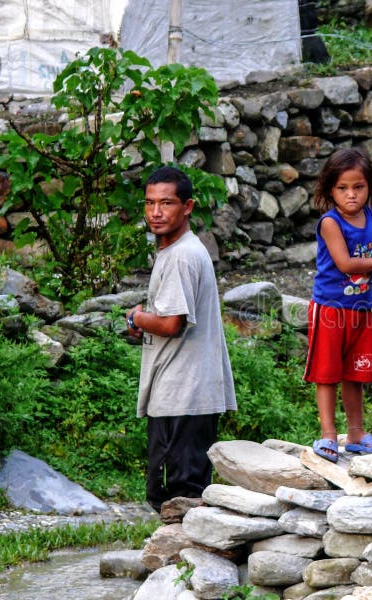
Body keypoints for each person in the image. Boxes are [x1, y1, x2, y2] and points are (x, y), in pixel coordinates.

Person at [126, 166, 237, 512]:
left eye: (166, 203)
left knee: (177, 495)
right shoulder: (181, 250)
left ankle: (183, 563)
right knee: (181, 490)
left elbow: (173, 323)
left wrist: (137, 317)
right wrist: (146, 321)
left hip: (183, 394)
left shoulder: (180, 256)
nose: (155, 213)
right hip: (185, 393)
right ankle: (185, 562)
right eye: (149, 203)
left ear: (187, 207)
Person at [304, 147, 372, 463]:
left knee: (355, 374)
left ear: (370, 188)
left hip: (360, 309)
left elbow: (366, 251)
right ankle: (329, 435)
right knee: (327, 373)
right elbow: (346, 263)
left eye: (358, 187)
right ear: (330, 190)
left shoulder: (371, 216)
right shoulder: (330, 222)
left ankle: (356, 434)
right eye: (342, 188)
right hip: (330, 309)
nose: (351, 195)